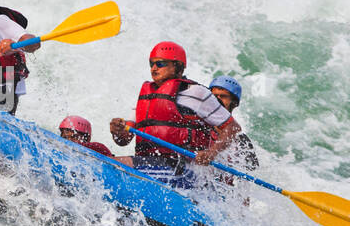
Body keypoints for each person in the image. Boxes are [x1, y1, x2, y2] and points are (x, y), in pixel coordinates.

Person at [108, 42, 241, 186]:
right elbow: (123, 141)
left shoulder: (197, 92)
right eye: (151, 64)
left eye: (160, 64)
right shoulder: (147, 97)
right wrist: (117, 131)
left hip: (183, 168)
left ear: (177, 66)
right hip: (152, 163)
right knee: (105, 157)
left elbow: (233, 128)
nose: (153, 68)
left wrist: (210, 154)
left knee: (111, 164)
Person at [208, 76, 260, 183]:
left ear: (234, 103)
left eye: (223, 96)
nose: (217, 99)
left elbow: (249, 179)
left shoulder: (242, 141)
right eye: (214, 96)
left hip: (220, 191)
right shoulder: (198, 126)